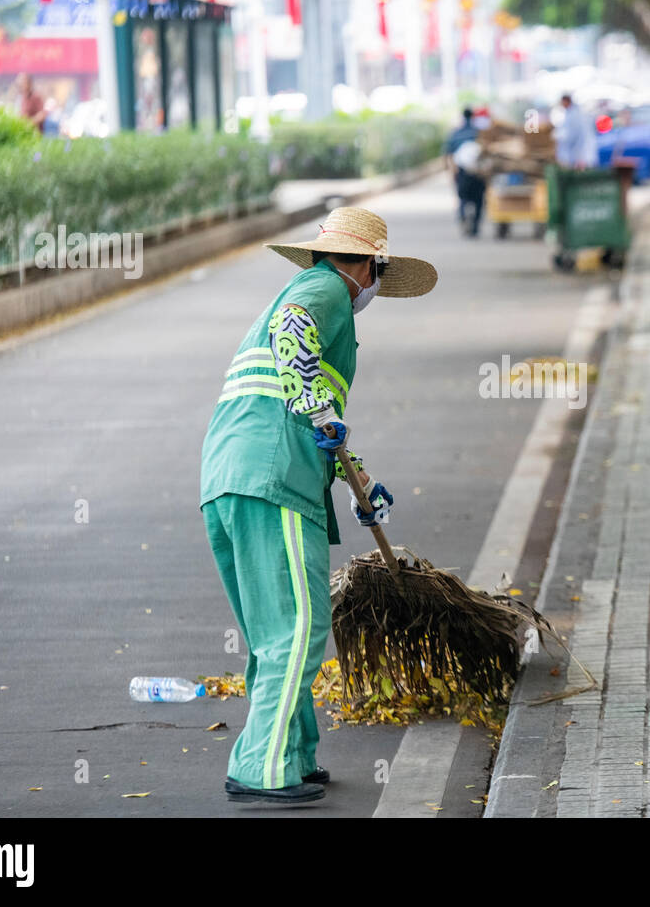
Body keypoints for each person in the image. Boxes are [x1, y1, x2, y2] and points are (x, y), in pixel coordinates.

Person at [200, 207, 437, 804]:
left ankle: (294, 753)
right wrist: (322, 411)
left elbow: (309, 414)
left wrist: (358, 476)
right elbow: (295, 344)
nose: (374, 286)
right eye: (377, 273)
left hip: (230, 476)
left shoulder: (306, 289)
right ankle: (261, 768)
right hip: (273, 478)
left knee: (272, 632)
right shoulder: (327, 287)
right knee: (300, 627)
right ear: (368, 266)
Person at [445, 107, 486, 236]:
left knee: (463, 198)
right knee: (479, 200)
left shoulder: (455, 133)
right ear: (473, 117)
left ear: (462, 117)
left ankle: (463, 217)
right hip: (479, 172)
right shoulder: (479, 132)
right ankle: (475, 227)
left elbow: (448, 155)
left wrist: (452, 172)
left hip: (461, 172)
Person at [554, 93, 597, 170]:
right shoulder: (573, 113)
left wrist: (559, 137)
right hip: (580, 153)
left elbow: (572, 135)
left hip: (579, 153)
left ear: (566, 101)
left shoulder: (575, 115)